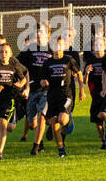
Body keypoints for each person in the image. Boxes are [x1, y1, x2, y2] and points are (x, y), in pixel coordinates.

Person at [0, 40, 28, 159]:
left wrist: (19, 84)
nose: (4, 54)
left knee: (3, 124)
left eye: (6, 52)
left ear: (11, 53)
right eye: (1, 51)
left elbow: (23, 79)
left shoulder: (14, 66)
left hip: (8, 99)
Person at [43, 29, 81, 157]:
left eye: (60, 45)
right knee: (54, 125)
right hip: (52, 96)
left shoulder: (68, 60)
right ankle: (61, 150)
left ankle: (68, 119)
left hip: (66, 95)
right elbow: (43, 78)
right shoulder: (47, 63)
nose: (57, 47)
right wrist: (43, 82)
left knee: (62, 119)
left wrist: (82, 91)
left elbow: (79, 73)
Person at [17, 24, 54, 152]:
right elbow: (17, 66)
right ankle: (43, 135)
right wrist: (23, 85)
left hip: (46, 92)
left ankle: (36, 147)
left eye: (42, 32)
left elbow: (60, 70)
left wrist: (51, 81)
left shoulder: (53, 50)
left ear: (48, 35)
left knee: (41, 116)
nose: (38, 34)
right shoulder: (29, 49)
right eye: (37, 32)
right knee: (32, 123)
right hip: (32, 90)